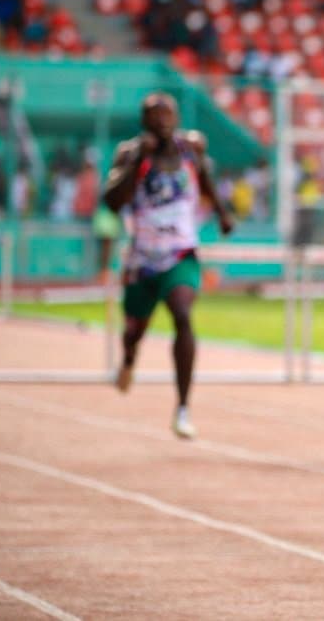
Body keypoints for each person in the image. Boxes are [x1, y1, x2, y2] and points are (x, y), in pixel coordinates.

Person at [102, 94, 235, 440]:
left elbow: (205, 180)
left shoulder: (191, 150)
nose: (162, 120)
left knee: (182, 314)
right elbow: (112, 201)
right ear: (144, 120)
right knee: (134, 331)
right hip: (142, 259)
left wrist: (222, 213)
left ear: (176, 118)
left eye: (168, 114)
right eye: (154, 115)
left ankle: (183, 406)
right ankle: (129, 359)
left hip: (180, 253)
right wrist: (137, 163)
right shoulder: (129, 153)